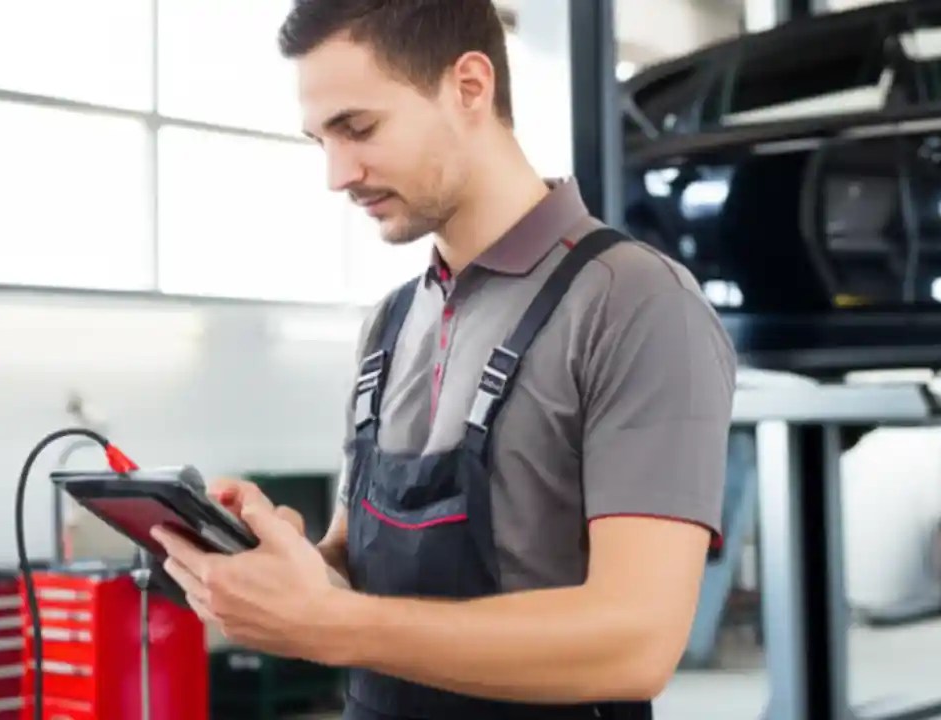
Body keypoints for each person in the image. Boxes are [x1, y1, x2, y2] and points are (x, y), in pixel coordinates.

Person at [150, 1, 737, 718]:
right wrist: (279, 566)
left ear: (469, 87)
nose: (337, 173)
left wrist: (333, 624)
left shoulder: (635, 304)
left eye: (358, 128)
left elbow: (636, 644)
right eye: (320, 140)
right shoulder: (390, 323)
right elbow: (356, 577)